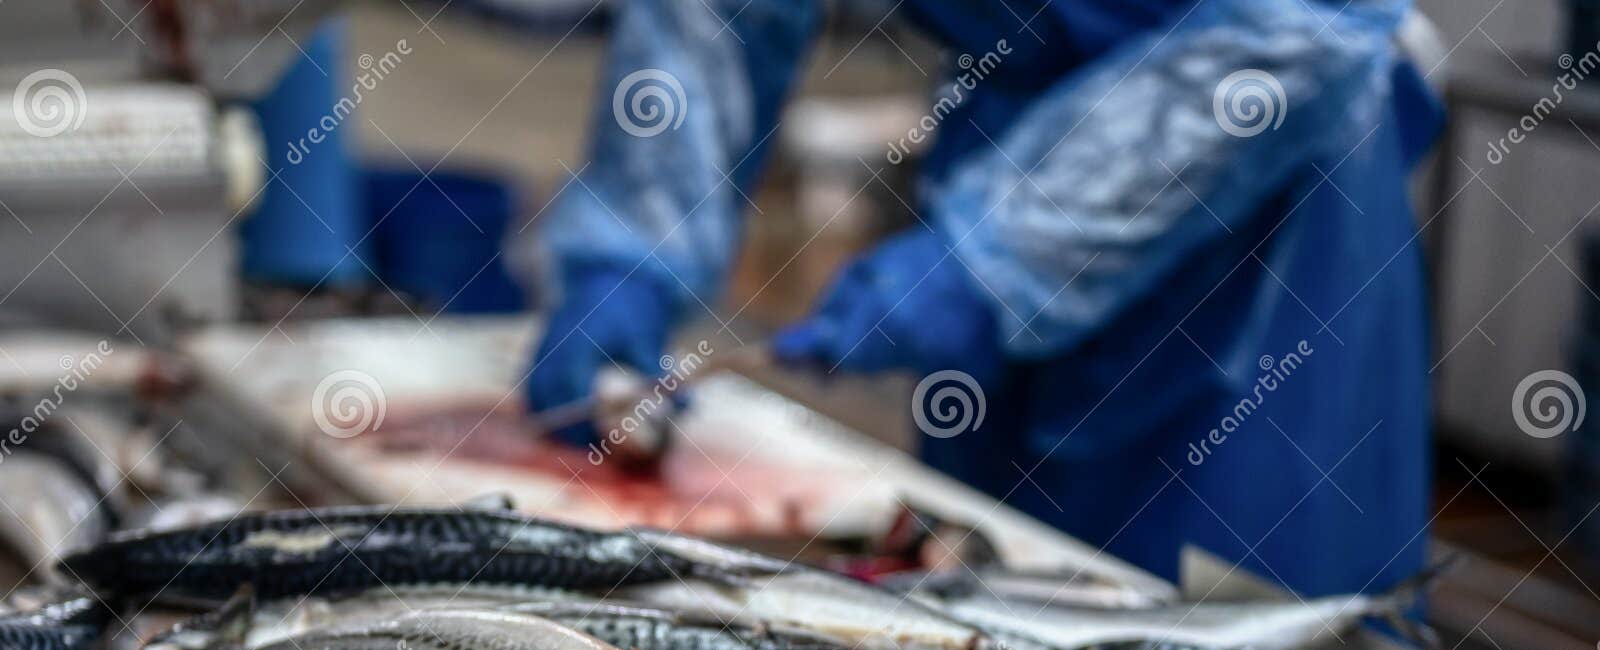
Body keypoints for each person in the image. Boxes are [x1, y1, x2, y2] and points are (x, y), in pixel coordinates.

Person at [523, 1, 1443, 595]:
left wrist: (1002, 254)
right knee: (994, 647)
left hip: (1257, 208)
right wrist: (634, 243)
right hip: (1005, 147)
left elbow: (1310, 24)